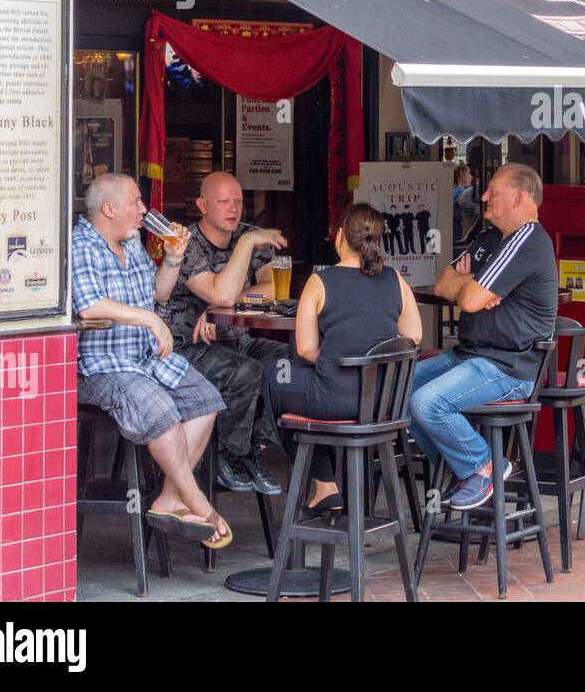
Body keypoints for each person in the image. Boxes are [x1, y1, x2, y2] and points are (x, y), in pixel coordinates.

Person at [71, 174, 232, 548]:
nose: (145, 210)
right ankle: (197, 502)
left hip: (143, 359)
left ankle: (168, 498)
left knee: (205, 400)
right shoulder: (83, 245)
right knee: (163, 413)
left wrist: (173, 258)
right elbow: (89, 305)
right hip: (103, 365)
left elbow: (157, 294)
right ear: (109, 209)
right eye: (136, 203)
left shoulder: (131, 242)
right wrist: (151, 320)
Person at [412, 163, 558, 510]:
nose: (484, 196)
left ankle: (483, 466)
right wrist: (474, 284)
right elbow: (443, 284)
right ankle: (456, 469)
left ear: (518, 198)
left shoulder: (526, 239)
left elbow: (469, 300)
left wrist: (473, 288)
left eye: (494, 190)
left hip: (508, 367)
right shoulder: (488, 239)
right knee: (397, 391)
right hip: (470, 355)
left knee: (427, 402)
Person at [262, 204, 422, 515]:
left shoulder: (321, 281)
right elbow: (413, 336)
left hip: (333, 399)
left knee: (273, 373)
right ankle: (327, 485)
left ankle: (324, 483)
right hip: (384, 403)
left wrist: (336, 359)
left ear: (338, 238)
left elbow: (306, 349)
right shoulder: (394, 279)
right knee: (300, 386)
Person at [159, 171, 288, 494]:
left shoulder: (251, 235)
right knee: (246, 371)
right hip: (188, 348)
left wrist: (217, 308)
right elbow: (222, 295)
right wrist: (243, 249)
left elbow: (274, 288)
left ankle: (256, 445)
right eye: (224, 202)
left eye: (239, 201)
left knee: (291, 361)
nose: (234, 209)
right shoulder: (187, 243)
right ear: (203, 205)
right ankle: (230, 456)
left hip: (237, 339)